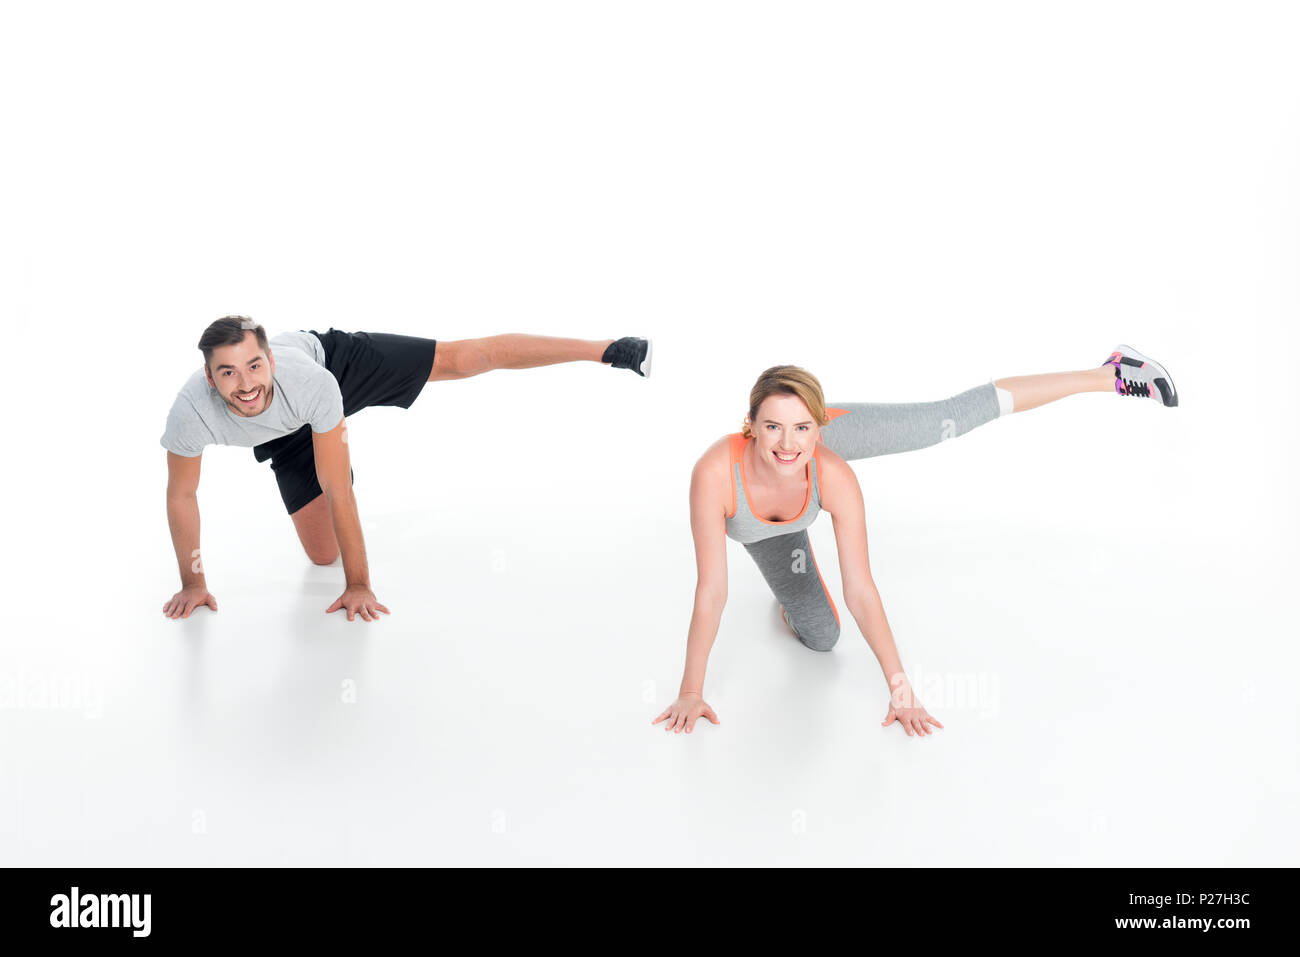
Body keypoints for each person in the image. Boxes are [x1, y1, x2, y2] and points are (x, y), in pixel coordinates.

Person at [653, 345, 1178, 737]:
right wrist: (691, 692)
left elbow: (861, 588)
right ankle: (791, 592)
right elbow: (712, 591)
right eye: (772, 427)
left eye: (802, 427)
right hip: (768, 533)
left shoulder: (830, 469)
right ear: (750, 426)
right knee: (822, 639)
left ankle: (1106, 373)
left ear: (819, 427)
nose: (788, 442)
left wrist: (900, 691)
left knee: (937, 423)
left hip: (814, 480)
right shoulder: (715, 474)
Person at [160, 317, 651, 622]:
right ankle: (320, 443)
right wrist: (194, 582)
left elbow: (338, 488)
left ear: (269, 360)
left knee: (463, 359)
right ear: (209, 378)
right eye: (228, 372)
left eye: (254, 366)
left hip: (332, 371)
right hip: (287, 433)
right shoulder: (191, 411)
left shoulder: (311, 381)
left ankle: (610, 350)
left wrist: (359, 585)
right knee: (322, 555)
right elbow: (182, 496)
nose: (245, 383)